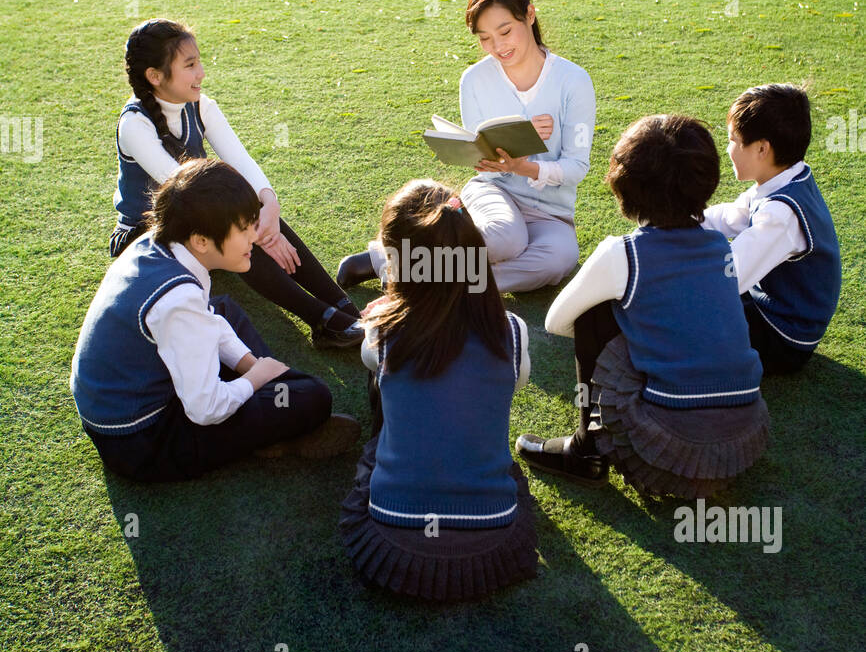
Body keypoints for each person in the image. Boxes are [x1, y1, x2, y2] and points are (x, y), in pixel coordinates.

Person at [516, 115, 770, 498]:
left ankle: (585, 450)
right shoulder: (720, 245)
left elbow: (557, 321)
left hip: (670, 438)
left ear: (624, 184)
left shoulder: (624, 252)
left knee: (594, 313)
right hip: (743, 433)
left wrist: (632, 325)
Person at [71, 159, 360, 482]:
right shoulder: (177, 301)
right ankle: (281, 427)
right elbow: (205, 408)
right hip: (143, 441)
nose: (255, 236)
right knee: (313, 397)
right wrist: (256, 379)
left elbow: (208, 320)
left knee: (223, 311)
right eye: (244, 228)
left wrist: (251, 364)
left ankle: (279, 406)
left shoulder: (162, 243)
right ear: (201, 240)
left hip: (128, 398)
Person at [339, 179, 539, 601]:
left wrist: (388, 313)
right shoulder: (513, 332)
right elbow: (512, 384)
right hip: (494, 542)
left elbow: (374, 366)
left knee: (383, 395)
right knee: (505, 465)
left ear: (397, 263)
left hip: (391, 543)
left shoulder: (381, 334)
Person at [336, 0, 595, 295]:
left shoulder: (573, 81)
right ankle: (399, 260)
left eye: (505, 31)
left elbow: (577, 167)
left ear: (529, 14)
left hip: (551, 214)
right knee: (506, 238)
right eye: (485, 38)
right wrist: (497, 160)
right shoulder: (474, 80)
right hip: (494, 193)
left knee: (559, 259)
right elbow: (481, 158)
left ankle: (414, 275)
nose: (497, 46)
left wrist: (522, 165)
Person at [111, 18, 363, 350]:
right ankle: (323, 321)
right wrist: (256, 231)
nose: (201, 72)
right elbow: (187, 197)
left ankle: (347, 309)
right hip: (148, 236)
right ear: (155, 76)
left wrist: (268, 205)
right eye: (189, 65)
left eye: (199, 61)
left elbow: (241, 161)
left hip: (197, 223)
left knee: (252, 214)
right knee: (233, 225)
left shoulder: (201, 105)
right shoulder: (135, 124)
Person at [702, 83, 841, 374]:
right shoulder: (786, 177)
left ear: (762, 149)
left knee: (686, 314)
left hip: (783, 336)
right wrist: (681, 219)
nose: (727, 149)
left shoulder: (781, 213)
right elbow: (730, 216)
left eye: (733, 140)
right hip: (767, 304)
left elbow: (726, 277)